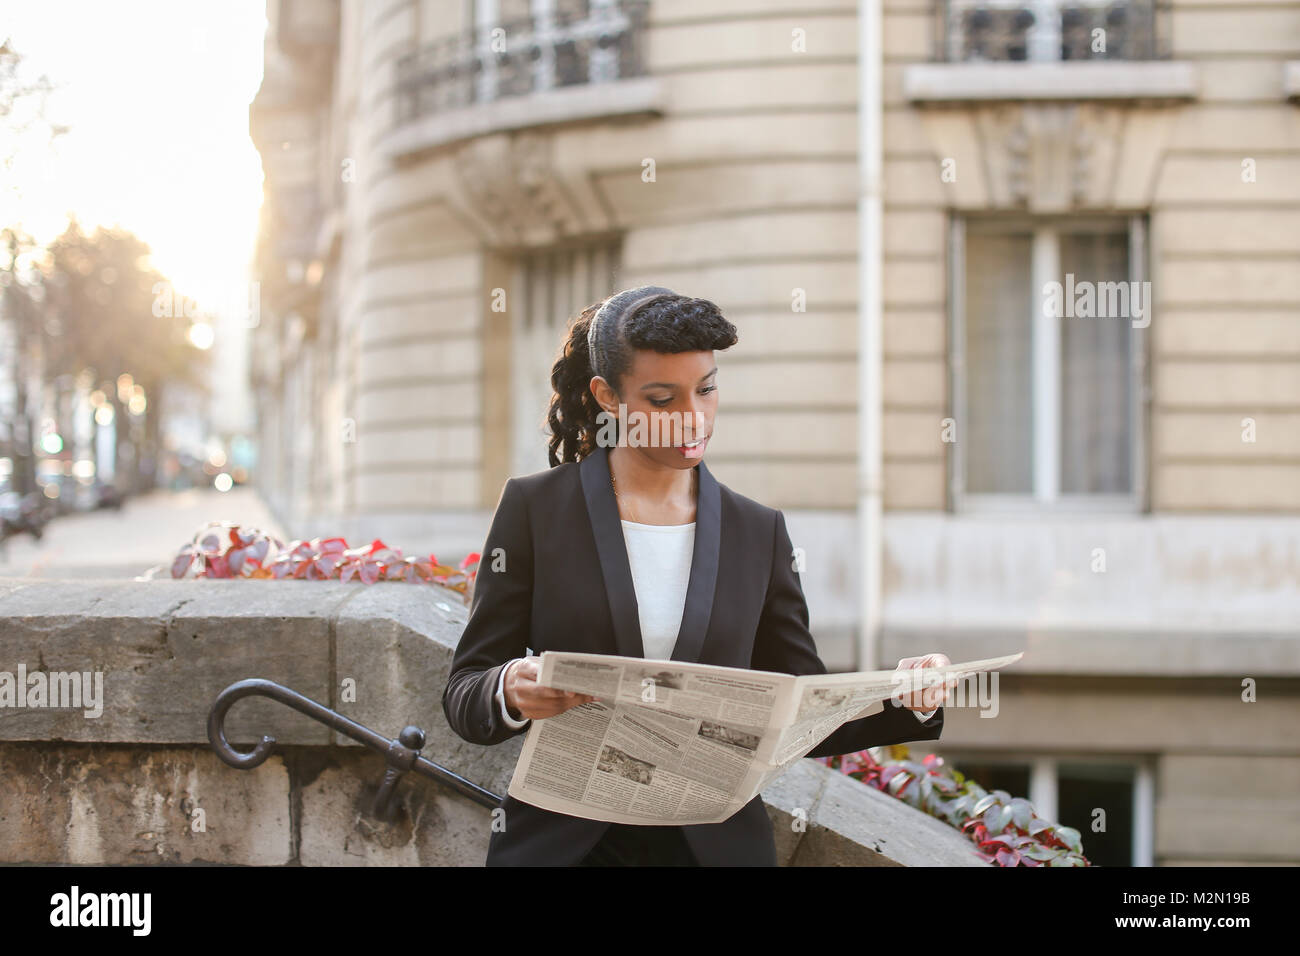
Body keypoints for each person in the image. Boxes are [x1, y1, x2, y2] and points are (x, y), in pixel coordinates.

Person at [442, 286, 955, 866]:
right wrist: (509, 688)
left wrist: (907, 696)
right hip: (563, 849)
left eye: (706, 390)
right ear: (608, 396)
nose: (693, 418)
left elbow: (803, 708)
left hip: (713, 851)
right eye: (663, 399)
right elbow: (465, 693)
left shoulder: (758, 532)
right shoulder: (535, 509)